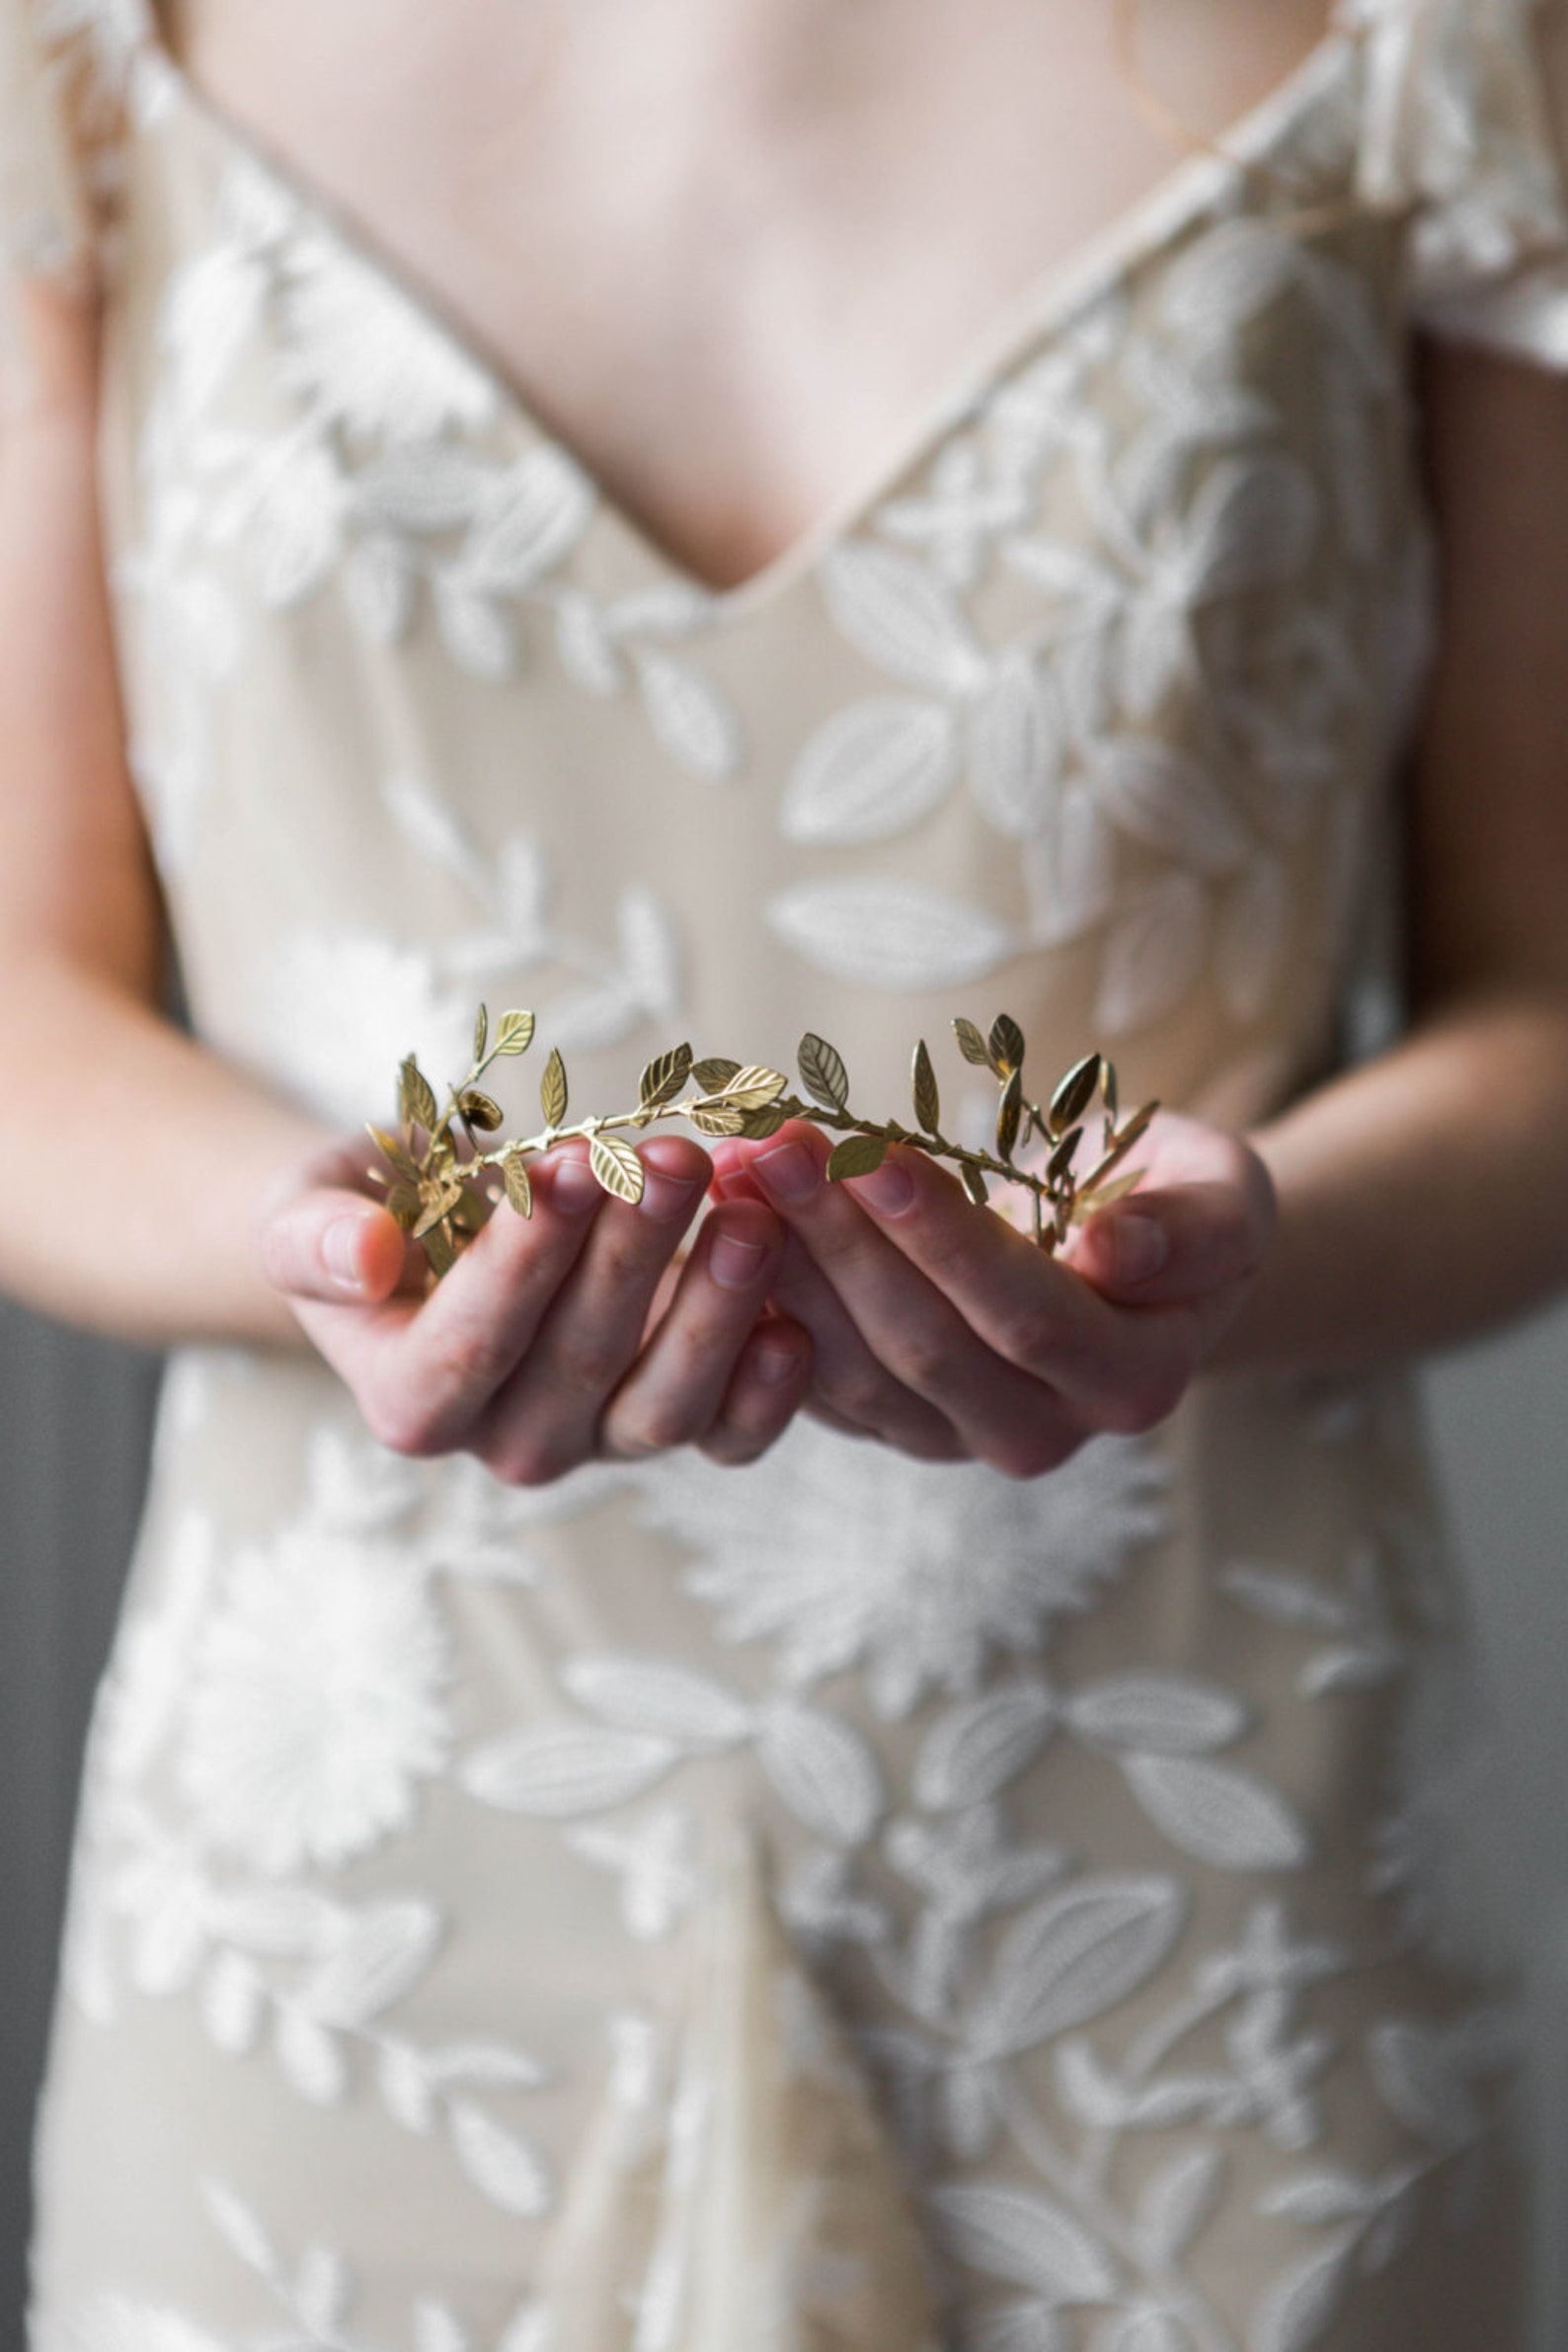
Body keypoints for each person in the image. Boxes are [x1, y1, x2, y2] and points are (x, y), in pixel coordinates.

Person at [5, 0, 1568, 2342]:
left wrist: (1234, 1253)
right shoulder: (81, 52)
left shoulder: (1452, 42)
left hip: (1187, 1893)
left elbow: (1539, 990)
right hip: (351, 1915)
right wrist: (316, 1248)